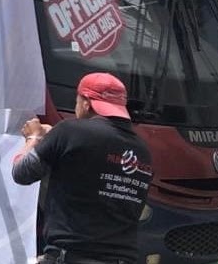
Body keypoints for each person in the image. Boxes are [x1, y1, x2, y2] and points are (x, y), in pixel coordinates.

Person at [12, 72, 153, 264]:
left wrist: (33, 138)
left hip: (71, 256)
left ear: (86, 103)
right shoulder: (143, 151)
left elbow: (22, 173)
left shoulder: (70, 131)